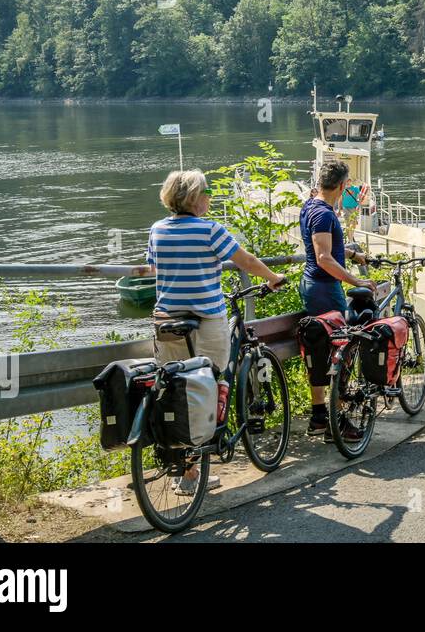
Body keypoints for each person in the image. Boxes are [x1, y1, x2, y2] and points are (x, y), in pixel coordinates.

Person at [146, 169, 285, 494]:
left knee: (174, 388)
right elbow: (245, 261)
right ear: (195, 198)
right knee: (210, 383)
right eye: (206, 192)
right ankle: (194, 468)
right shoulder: (210, 230)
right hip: (205, 321)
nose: (210, 197)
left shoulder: (157, 229)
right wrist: (271, 277)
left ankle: (180, 466)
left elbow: (154, 268)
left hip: (166, 323)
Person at [299, 158, 376, 437]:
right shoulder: (324, 214)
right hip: (324, 288)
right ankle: (337, 420)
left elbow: (326, 248)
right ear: (342, 185)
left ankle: (321, 417)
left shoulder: (310, 206)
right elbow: (323, 257)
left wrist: (352, 254)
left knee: (321, 350)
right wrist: (356, 279)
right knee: (338, 353)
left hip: (314, 285)